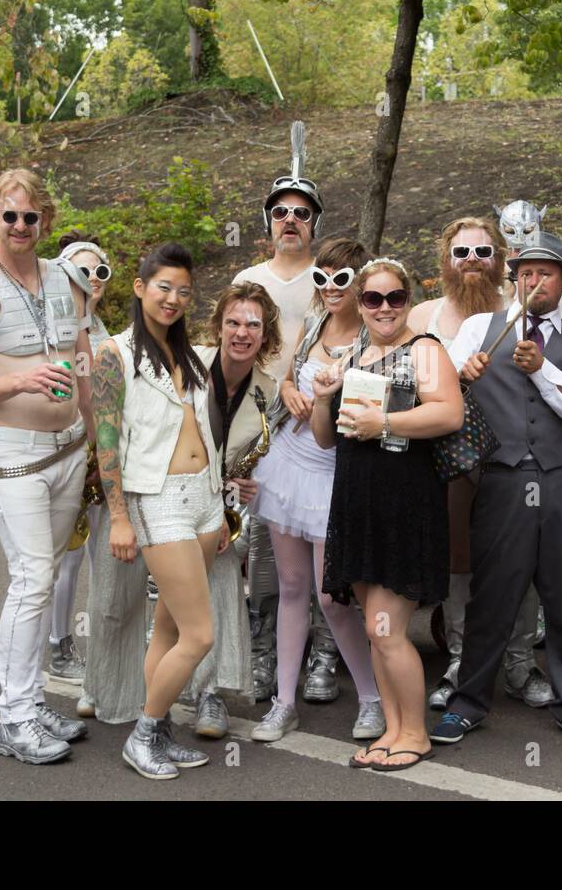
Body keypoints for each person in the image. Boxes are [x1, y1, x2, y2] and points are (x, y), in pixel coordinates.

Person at [0, 168, 94, 764]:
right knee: (31, 579)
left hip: (70, 450)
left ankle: (31, 699)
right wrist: (20, 380)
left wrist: (98, 445)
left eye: (31, 216)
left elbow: (83, 364)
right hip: (12, 455)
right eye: (10, 215)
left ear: (45, 220)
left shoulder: (69, 279)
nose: (20, 225)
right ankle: (15, 716)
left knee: (45, 577)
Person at [432, 231, 562, 748]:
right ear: (514, 279)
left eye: (545, 273)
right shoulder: (479, 328)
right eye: (526, 273)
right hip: (502, 480)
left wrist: (544, 369)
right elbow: (443, 391)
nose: (534, 281)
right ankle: (468, 703)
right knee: (492, 597)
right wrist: (463, 375)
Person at [314, 258, 464, 770]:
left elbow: (449, 412)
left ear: (407, 300)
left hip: (405, 504)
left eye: (394, 297)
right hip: (357, 503)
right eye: (373, 298)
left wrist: (384, 423)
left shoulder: (423, 350)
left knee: (386, 630)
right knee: (373, 629)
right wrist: (322, 399)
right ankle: (393, 730)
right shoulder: (352, 355)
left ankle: (415, 734)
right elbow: (325, 438)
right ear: (359, 304)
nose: (384, 308)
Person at [408, 216, 551, 710]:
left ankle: (519, 660)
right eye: (462, 252)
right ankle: (460, 659)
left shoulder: (524, 310)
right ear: (446, 260)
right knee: (459, 561)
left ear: (501, 260)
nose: (472, 260)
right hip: (450, 459)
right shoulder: (422, 316)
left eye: (483, 252)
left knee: (522, 559)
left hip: (515, 458)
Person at [247, 238, 385, 743]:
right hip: (287, 466)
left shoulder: (373, 343)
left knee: (332, 599)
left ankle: (372, 699)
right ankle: (284, 703)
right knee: (290, 588)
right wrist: (288, 390)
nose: (329, 287)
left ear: (360, 283)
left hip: (333, 476)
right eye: (321, 277)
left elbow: (346, 430)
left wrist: (324, 403)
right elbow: (288, 379)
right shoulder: (313, 325)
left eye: (341, 278)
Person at [91, 244, 218, 780]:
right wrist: (119, 517)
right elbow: (106, 442)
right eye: (164, 287)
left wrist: (220, 502)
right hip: (157, 500)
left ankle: (160, 731)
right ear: (140, 287)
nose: (173, 299)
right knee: (200, 635)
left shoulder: (188, 353)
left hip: (205, 499)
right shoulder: (113, 354)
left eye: (184, 291)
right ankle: (142, 735)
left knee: (168, 627)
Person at [233, 122, 340, 704]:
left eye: (302, 212)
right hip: (263, 428)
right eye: (281, 212)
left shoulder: (331, 280)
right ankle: (264, 652)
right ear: (268, 222)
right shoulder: (248, 280)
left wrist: (315, 395)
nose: (291, 220)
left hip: (319, 431)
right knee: (264, 549)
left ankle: (325, 652)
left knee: (321, 544)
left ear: (314, 223)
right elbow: (236, 352)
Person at [186, 282, 282, 737]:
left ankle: (210, 693)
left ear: (266, 335)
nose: (242, 333)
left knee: (222, 588)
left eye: (253, 325)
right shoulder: (187, 365)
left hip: (223, 505)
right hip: (175, 490)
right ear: (218, 326)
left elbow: (261, 455)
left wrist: (244, 484)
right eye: (233, 322)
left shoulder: (268, 389)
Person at [45, 233, 115, 690]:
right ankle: (59, 643)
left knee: (103, 554)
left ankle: (107, 643)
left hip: (104, 451)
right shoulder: (54, 328)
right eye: (81, 271)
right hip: (69, 451)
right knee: (68, 556)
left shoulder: (104, 329)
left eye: (99, 271)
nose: (92, 279)